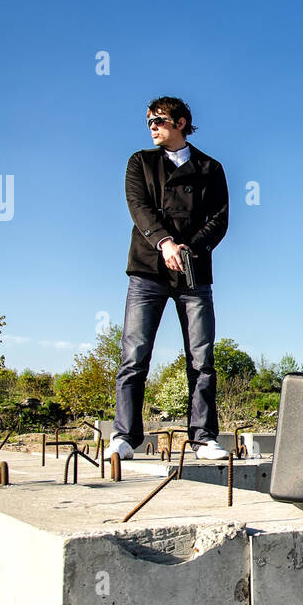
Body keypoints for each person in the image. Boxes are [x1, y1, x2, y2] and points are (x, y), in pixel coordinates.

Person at [107, 97, 229, 462]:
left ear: (181, 122)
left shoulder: (211, 168)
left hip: (193, 273)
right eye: (148, 122)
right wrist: (164, 242)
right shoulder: (140, 162)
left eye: (159, 120)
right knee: (135, 354)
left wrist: (187, 249)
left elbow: (219, 219)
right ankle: (125, 436)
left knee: (202, 357)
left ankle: (204, 437)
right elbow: (138, 207)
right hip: (147, 270)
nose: (152, 127)